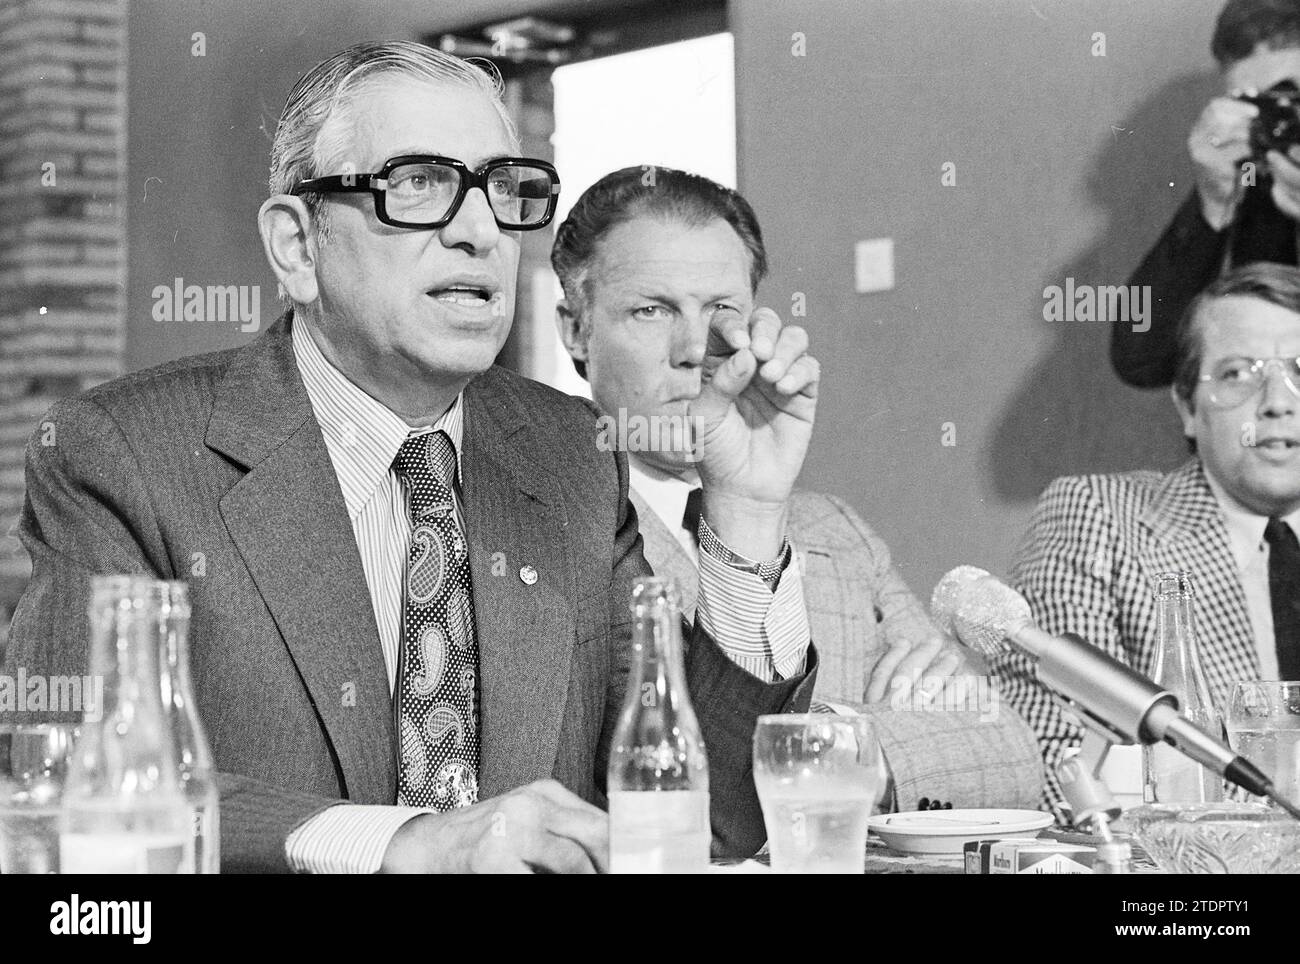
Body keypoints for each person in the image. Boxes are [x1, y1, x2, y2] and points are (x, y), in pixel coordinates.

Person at [2, 42, 827, 873]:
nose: (479, 232)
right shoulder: (124, 455)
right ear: (296, 246)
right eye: (418, 186)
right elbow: (64, 785)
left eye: (504, 192)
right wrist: (405, 843)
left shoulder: (573, 454)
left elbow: (705, 827)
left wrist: (746, 511)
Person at [552, 166, 1045, 812]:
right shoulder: (552, 528)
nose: (694, 348)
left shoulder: (834, 532)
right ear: (576, 332)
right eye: (651, 310)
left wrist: (822, 737)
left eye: (722, 311)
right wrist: (853, 738)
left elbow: (1008, 755)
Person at [1003, 262, 1300, 812]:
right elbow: (1058, 768)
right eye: (1239, 373)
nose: (1278, 402)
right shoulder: (1100, 518)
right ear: (1187, 407)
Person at [1117, 0, 1300, 388]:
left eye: (1292, 98)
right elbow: (1141, 362)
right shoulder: (1252, 182)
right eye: (1260, 105)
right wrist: (1212, 205)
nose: (1283, 119)